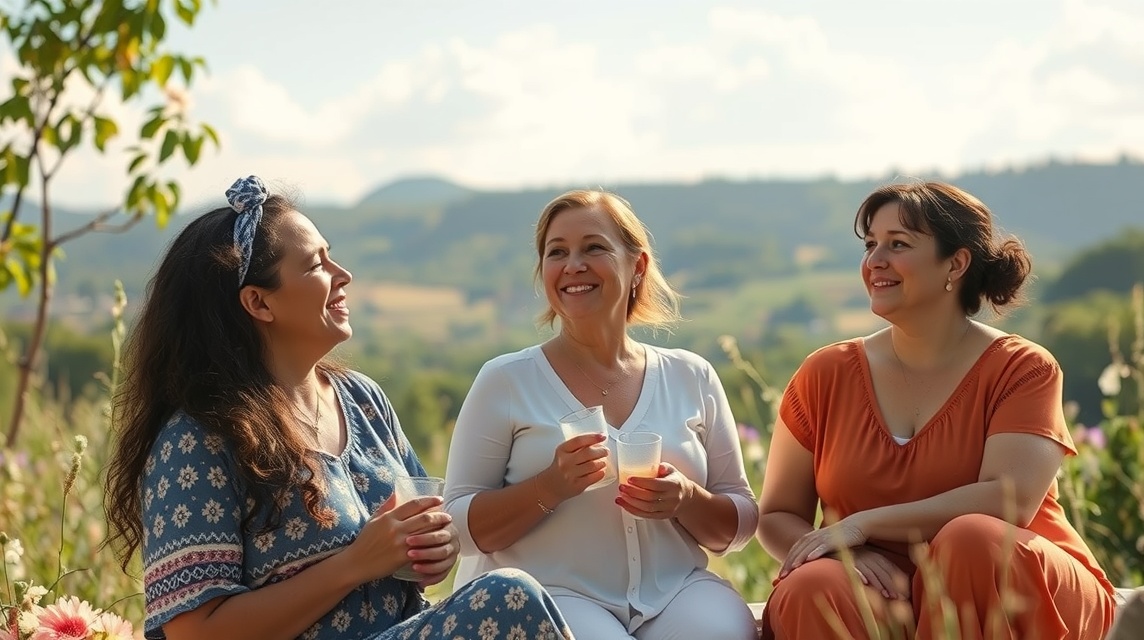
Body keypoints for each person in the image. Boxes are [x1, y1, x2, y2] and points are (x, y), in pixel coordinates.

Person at [104, 176, 572, 640]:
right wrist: (354, 563)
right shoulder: (198, 440)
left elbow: (421, 541)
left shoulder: (363, 401)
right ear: (258, 302)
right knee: (510, 598)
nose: (342, 275)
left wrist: (435, 548)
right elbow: (195, 633)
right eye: (315, 265)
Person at [755, 181, 1118, 639]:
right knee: (813, 584)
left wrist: (861, 526)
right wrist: (843, 552)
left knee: (973, 539)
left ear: (957, 263)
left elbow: (1010, 502)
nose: (875, 261)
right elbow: (777, 516)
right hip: (883, 594)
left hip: (1014, 583)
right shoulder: (824, 373)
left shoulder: (1023, 368)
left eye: (898, 244)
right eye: (870, 245)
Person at [442, 189, 759, 640]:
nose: (574, 265)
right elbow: (458, 525)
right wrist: (550, 486)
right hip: (551, 594)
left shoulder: (693, 376)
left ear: (638, 266)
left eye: (594, 247)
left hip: (676, 592)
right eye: (557, 253)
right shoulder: (505, 380)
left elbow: (741, 521)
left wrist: (688, 499)